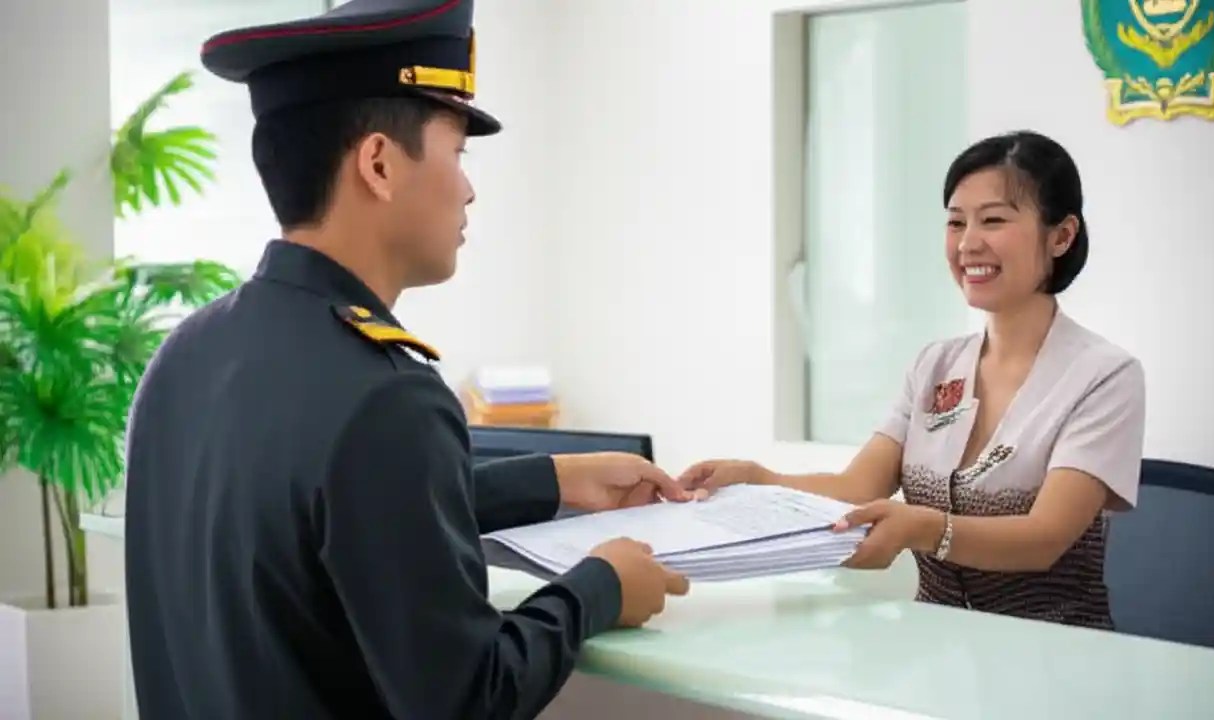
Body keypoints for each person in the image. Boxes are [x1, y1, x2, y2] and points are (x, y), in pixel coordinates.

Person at [123, 1, 691, 718]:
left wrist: (550, 481)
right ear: (381, 164)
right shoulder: (385, 395)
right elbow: (467, 699)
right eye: (457, 153)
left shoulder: (187, 354)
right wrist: (600, 587)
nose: (468, 187)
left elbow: (328, 518)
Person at [681, 130, 1145, 630]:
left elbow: (1045, 537)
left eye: (993, 220)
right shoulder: (935, 366)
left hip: (1058, 655)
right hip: (937, 647)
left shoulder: (1104, 376)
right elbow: (857, 487)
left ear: (1061, 236)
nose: (968, 243)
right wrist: (757, 478)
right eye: (955, 222)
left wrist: (922, 528)